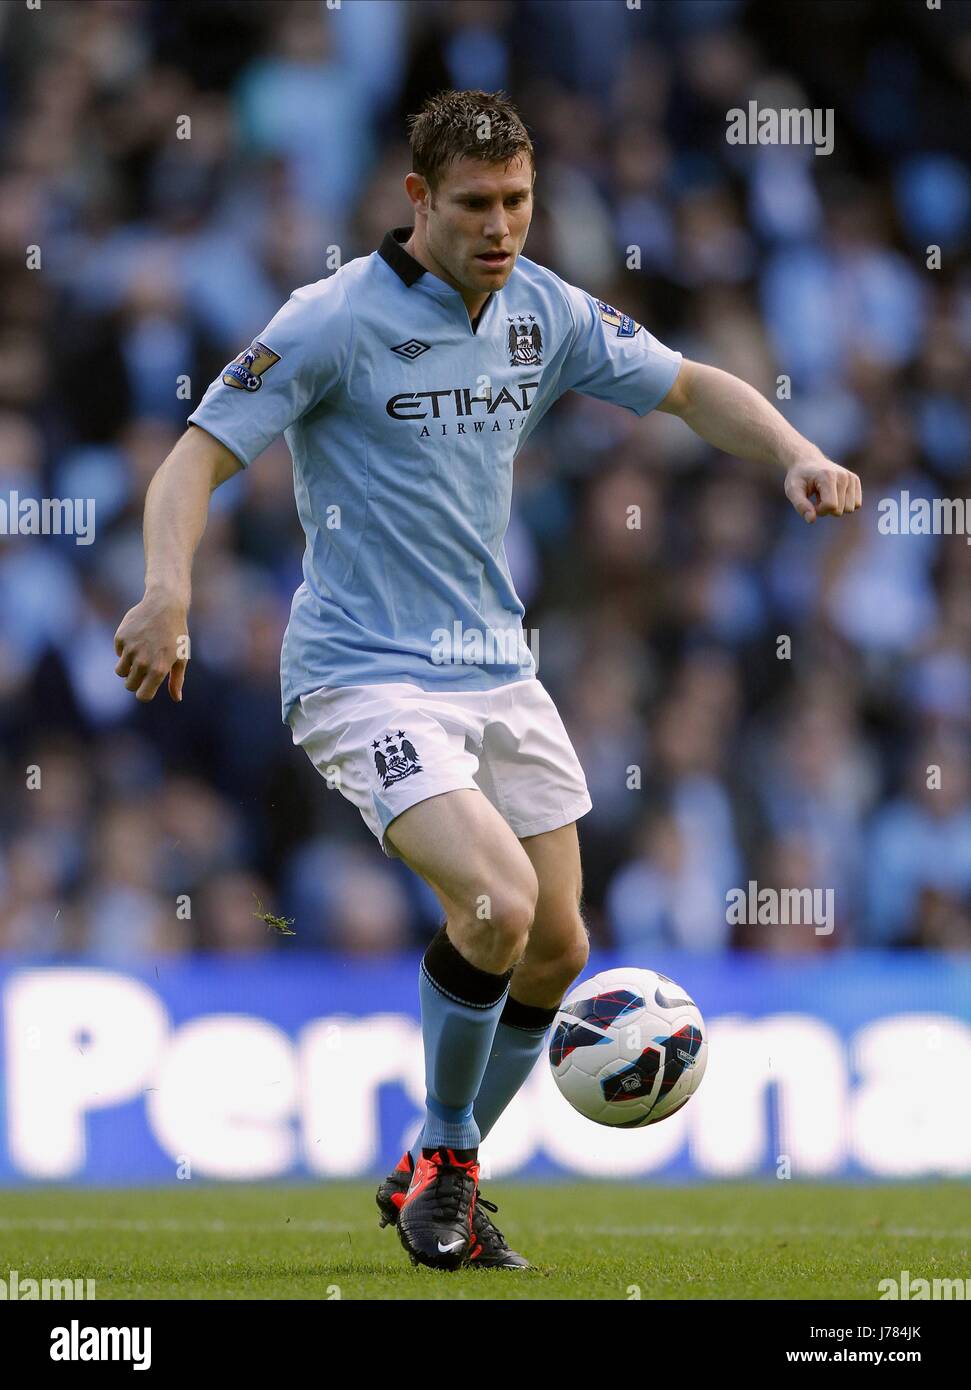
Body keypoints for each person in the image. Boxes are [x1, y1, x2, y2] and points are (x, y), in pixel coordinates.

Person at [113, 89, 862, 1271]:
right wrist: (169, 591)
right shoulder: (330, 320)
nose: (502, 224)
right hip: (363, 676)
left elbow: (684, 383)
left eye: (518, 199)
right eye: (475, 203)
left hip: (499, 671)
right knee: (496, 907)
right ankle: (452, 1168)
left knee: (558, 945)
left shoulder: (541, 311)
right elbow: (190, 462)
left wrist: (796, 450)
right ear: (417, 200)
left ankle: (431, 1160)